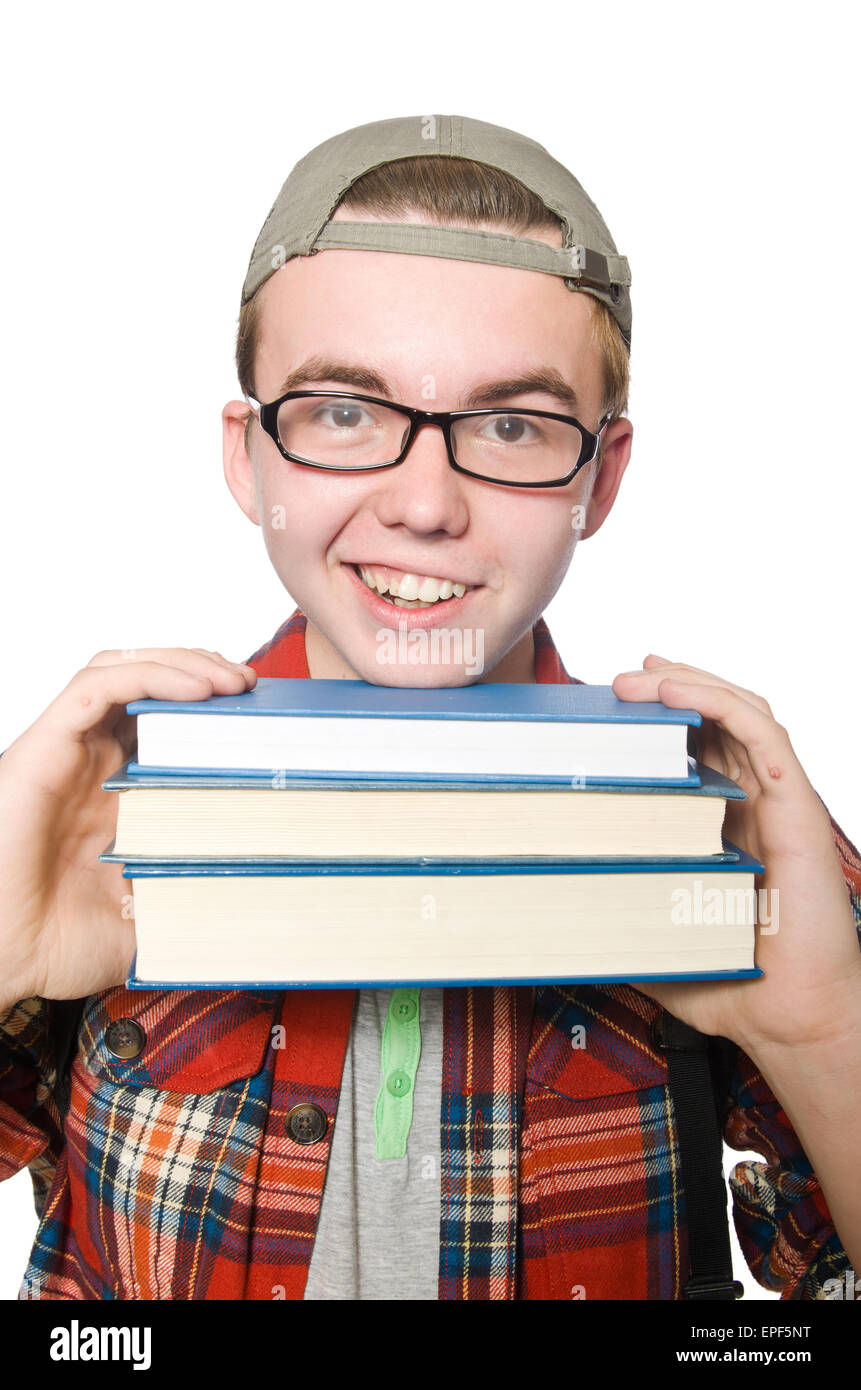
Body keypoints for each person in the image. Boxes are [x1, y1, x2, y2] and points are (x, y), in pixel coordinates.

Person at [1, 114, 859, 1302]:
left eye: (512, 425)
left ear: (598, 478)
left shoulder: (716, 820)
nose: (423, 503)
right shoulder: (91, 803)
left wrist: (826, 1037)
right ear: (250, 458)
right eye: (346, 411)